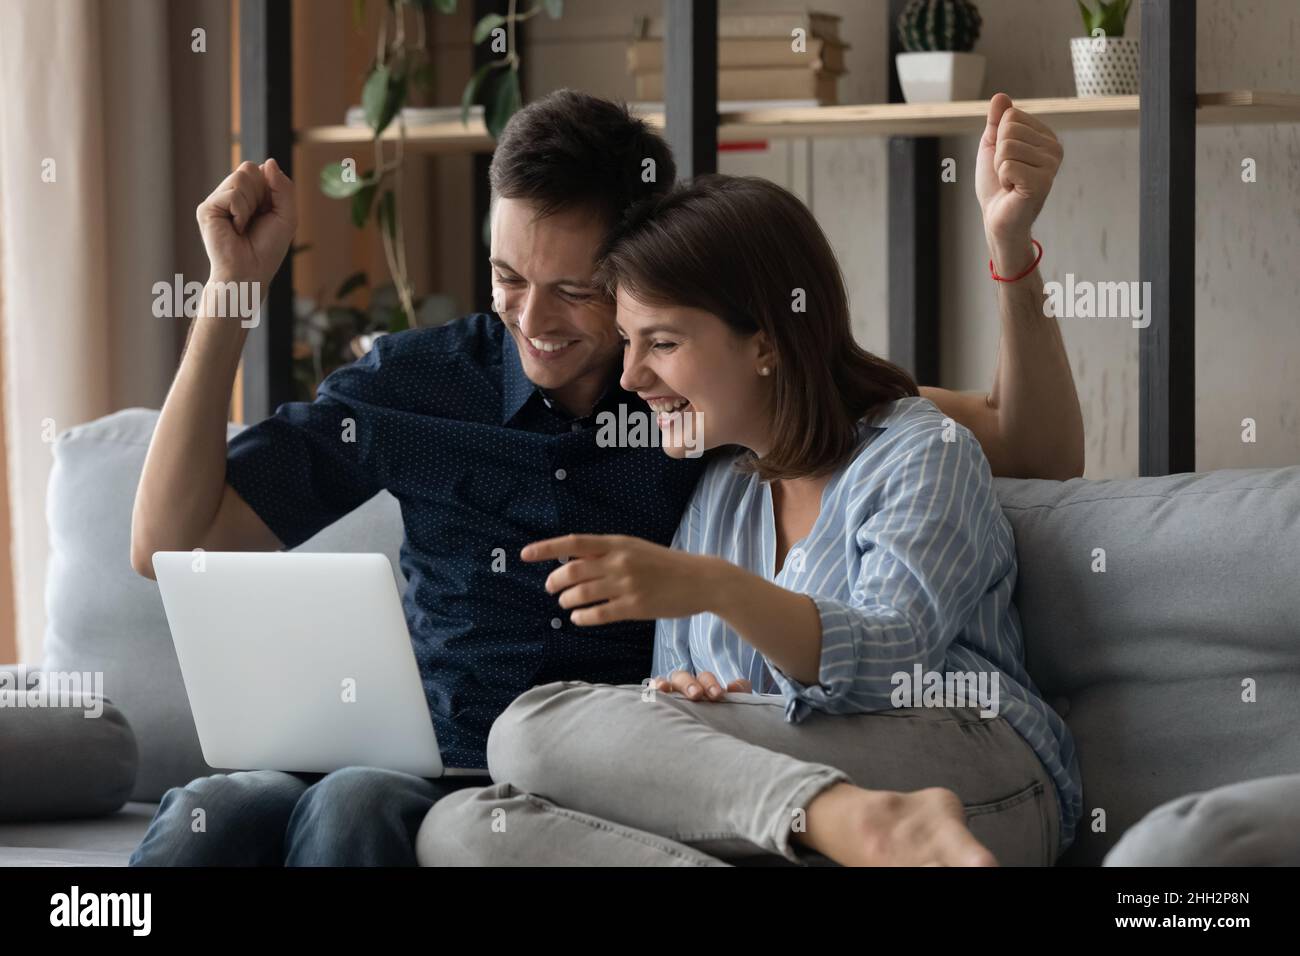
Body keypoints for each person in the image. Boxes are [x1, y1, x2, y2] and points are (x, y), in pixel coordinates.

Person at [129, 88, 1081, 866]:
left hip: (571, 769)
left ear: (635, 269)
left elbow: (1018, 448)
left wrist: (1011, 253)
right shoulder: (421, 387)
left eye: (577, 291)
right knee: (212, 815)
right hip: (465, 750)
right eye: (507, 277)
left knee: (362, 812)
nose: (532, 319)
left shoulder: (709, 403)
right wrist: (231, 291)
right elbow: (170, 547)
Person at [414, 173, 1083, 867]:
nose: (631, 377)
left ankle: (864, 820)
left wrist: (719, 588)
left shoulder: (920, 453)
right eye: (628, 342)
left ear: (766, 343)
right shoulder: (722, 489)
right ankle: (842, 822)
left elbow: (893, 663)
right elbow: (669, 691)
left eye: (663, 344)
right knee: (462, 828)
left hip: (973, 772)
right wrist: (686, 694)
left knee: (529, 733)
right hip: (788, 805)